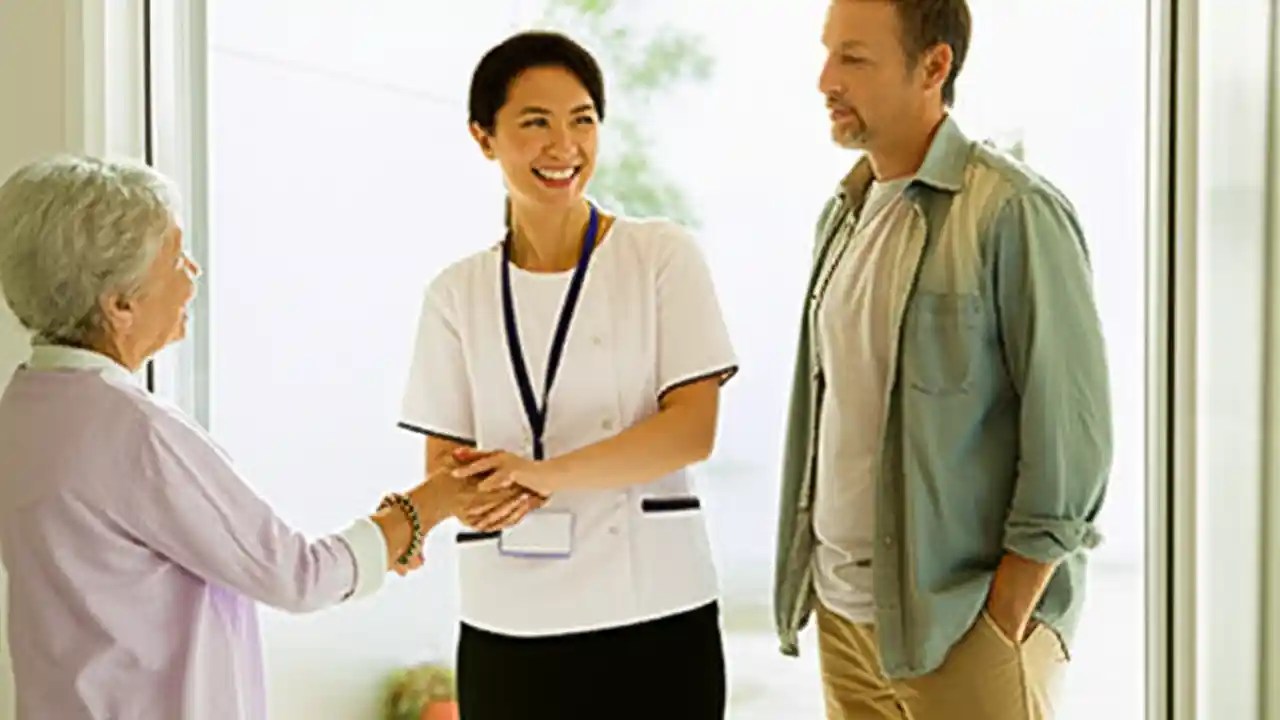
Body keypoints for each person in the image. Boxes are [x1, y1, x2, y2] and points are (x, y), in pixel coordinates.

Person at [0, 156, 485, 720]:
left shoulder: (25, 409)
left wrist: (388, 539)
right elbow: (298, 575)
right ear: (120, 304)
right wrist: (429, 503)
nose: (194, 272)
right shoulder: (133, 432)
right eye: (176, 258)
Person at [772, 1, 1113, 719]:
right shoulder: (843, 213)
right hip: (846, 620)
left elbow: (1071, 442)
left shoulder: (1014, 210)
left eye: (854, 59)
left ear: (934, 65)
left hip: (961, 627)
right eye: (828, 53)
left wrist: (1001, 620)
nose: (825, 79)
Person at [397, 30, 738, 719]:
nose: (564, 147)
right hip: (509, 622)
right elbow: (446, 465)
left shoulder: (660, 257)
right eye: (535, 124)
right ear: (483, 138)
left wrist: (540, 475)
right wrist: (433, 505)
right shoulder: (456, 293)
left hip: (655, 614)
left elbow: (690, 432)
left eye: (582, 121)